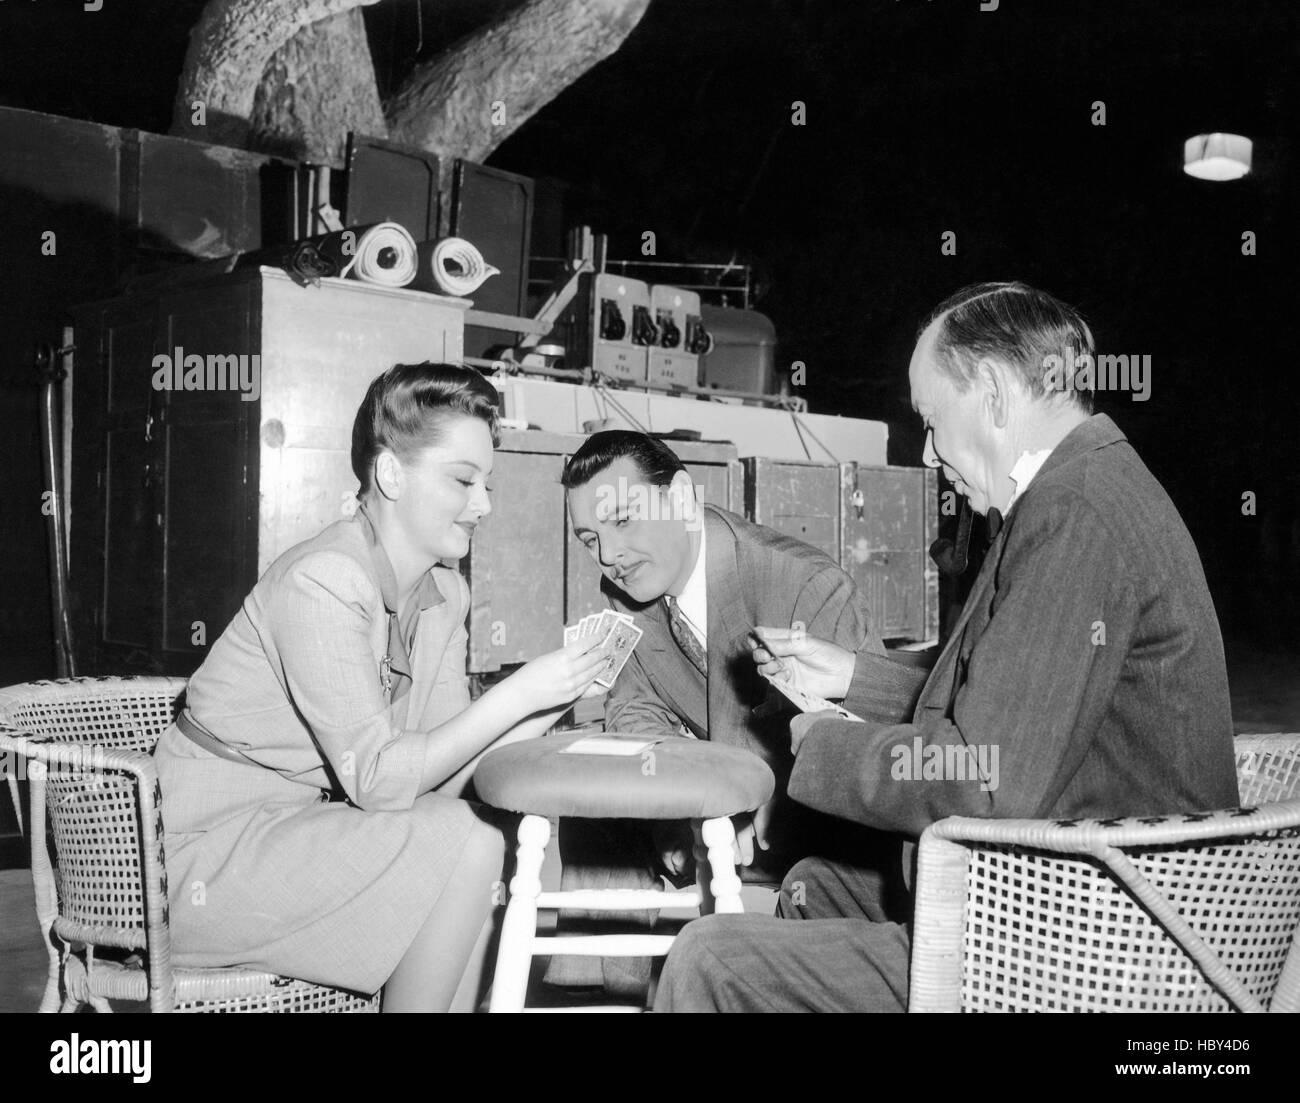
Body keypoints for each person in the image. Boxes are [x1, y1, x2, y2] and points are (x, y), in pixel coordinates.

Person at [654, 281, 1240, 1012]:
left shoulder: (1073, 516)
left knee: (710, 955)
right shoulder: (1088, 483)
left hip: (1094, 941)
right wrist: (852, 677)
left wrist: (820, 742)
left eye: (932, 420)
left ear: (992, 392)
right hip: (1102, 889)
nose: (929, 453)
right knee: (813, 881)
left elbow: (985, 782)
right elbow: (1024, 702)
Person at [154, 362, 611, 1012]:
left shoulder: (444, 595)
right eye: (462, 479)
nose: (484, 504)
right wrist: (514, 694)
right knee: (469, 841)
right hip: (193, 860)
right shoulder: (325, 583)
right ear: (391, 473)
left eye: (487, 482)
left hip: (303, 832)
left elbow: (443, 778)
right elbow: (376, 778)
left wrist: (543, 706)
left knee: (483, 832)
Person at [550, 430, 926, 993]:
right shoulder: (627, 582)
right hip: (708, 813)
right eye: (589, 538)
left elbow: (843, 760)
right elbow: (635, 708)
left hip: (801, 828)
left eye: (623, 521)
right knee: (594, 803)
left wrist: (723, 802)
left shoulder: (805, 584)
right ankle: (601, 995)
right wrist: (677, 809)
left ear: (680, 497)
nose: (609, 556)